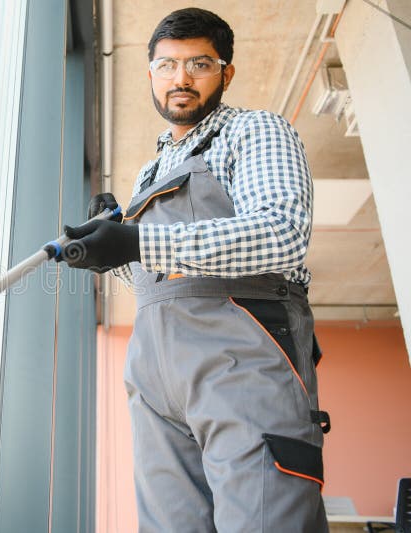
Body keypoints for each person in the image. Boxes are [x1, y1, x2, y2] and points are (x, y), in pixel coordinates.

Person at [61, 8, 330, 532]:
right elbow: (163, 277)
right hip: (155, 376)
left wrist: (139, 238)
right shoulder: (150, 170)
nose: (180, 78)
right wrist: (110, 248)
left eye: (198, 63)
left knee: (262, 518)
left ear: (225, 73)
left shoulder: (256, 131)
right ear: (151, 76)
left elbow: (280, 234)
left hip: (242, 358)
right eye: (166, 65)